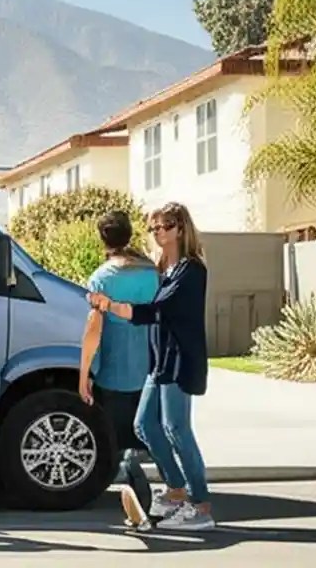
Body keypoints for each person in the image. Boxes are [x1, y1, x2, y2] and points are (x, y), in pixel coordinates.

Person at [87, 202, 215, 531]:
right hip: (158, 362)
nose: (159, 232)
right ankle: (175, 491)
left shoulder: (191, 271)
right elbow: (149, 313)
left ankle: (200, 506)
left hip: (178, 361)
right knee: (145, 425)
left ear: (181, 229)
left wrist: (110, 305)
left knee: (177, 430)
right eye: (154, 227)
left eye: (166, 226)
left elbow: (155, 311)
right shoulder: (163, 269)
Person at [78, 211, 159, 531]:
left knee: (120, 442)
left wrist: (83, 375)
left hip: (114, 374)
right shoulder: (153, 273)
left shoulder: (101, 279)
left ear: (103, 240)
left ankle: (139, 502)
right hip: (151, 370)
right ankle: (165, 499)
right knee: (147, 437)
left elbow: (94, 329)